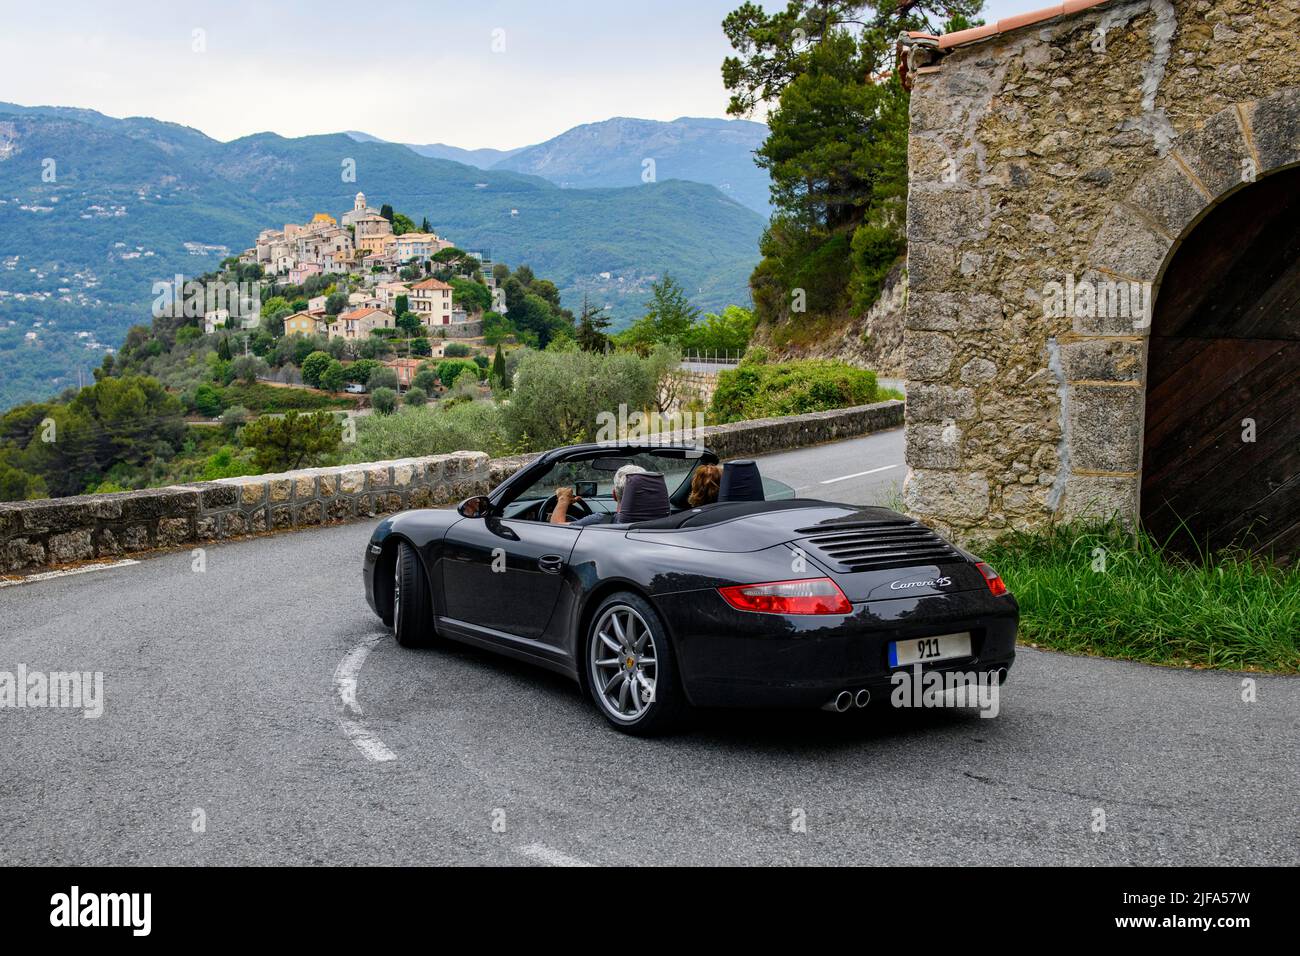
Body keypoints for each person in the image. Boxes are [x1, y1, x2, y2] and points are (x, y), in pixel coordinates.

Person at [550, 464, 648, 526]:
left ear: (614, 494)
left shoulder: (599, 521)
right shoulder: (662, 521)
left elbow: (556, 526)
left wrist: (563, 499)